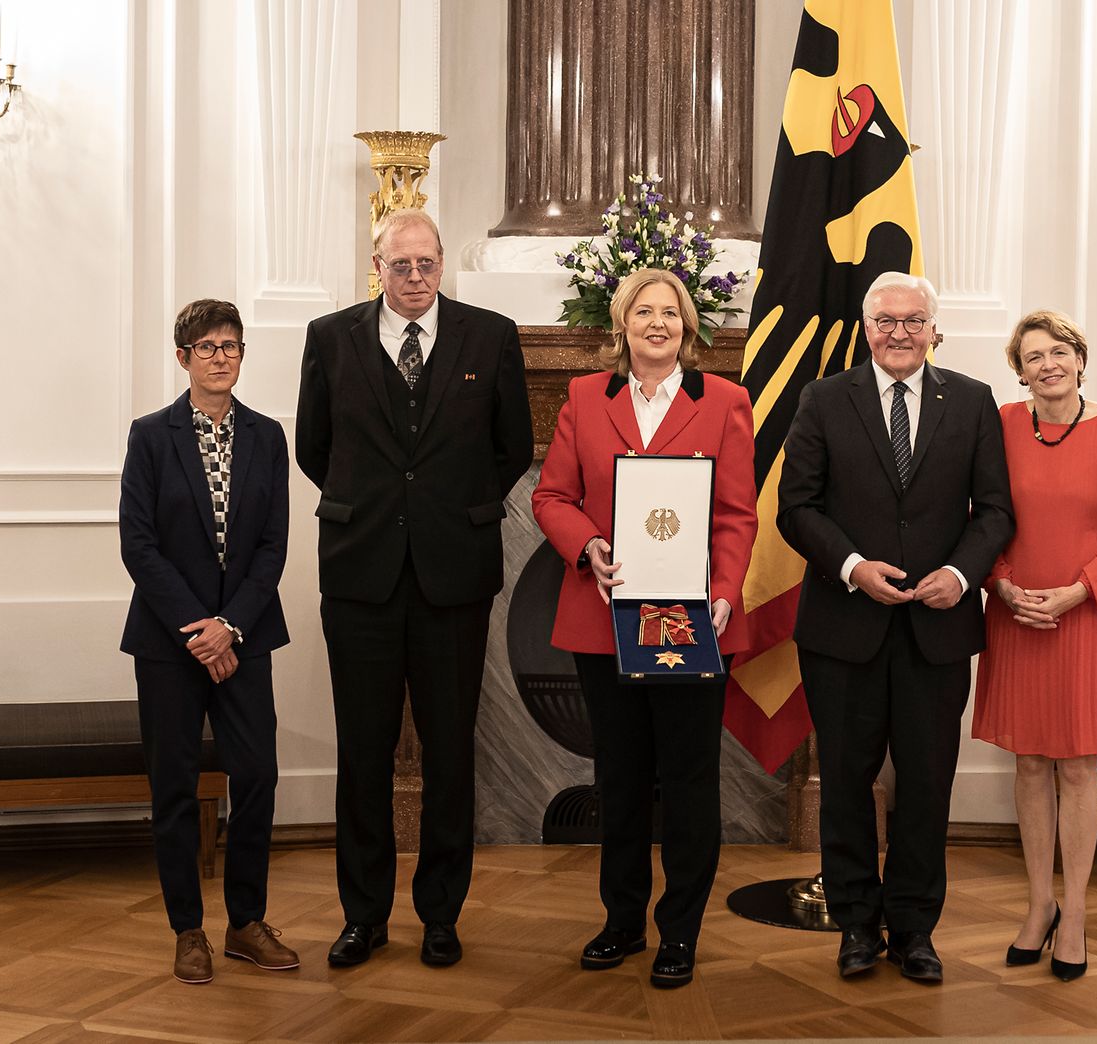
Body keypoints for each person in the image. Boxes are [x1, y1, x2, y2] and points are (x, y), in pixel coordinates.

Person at [295, 208, 534, 968]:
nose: (416, 278)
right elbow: (314, 447)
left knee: (450, 754)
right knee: (362, 755)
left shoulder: (489, 336)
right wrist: (379, 509)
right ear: (377, 265)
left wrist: (450, 514)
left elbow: (512, 448)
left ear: (441, 265)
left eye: (427, 264)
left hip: (453, 579)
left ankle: (440, 915)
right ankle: (362, 916)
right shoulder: (331, 339)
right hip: (360, 576)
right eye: (401, 267)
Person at [777, 272, 1014, 984]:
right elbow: (796, 507)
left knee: (926, 786)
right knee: (846, 783)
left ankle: (914, 929)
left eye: (914, 321)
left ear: (933, 330)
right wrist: (851, 566)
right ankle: (854, 925)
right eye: (886, 321)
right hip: (844, 629)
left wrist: (962, 576)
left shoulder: (972, 403)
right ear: (865, 328)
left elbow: (997, 511)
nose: (900, 333)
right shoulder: (824, 399)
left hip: (937, 633)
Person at [531, 269, 758, 989]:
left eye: (670, 313)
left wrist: (723, 594)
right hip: (607, 618)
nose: (656, 324)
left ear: (688, 328)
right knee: (620, 777)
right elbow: (552, 495)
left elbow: (736, 513)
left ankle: (680, 932)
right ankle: (622, 920)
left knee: (690, 780)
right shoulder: (584, 398)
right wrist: (586, 545)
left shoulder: (725, 401)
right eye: (643, 312)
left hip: (695, 620)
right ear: (621, 325)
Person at [119, 298, 297, 985]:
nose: (220, 356)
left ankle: (246, 923)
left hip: (245, 637)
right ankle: (188, 931)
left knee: (257, 777)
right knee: (173, 787)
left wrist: (232, 626)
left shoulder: (267, 436)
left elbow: (274, 546)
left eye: (231, 345)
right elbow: (139, 545)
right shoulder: (150, 436)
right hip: (170, 644)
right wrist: (200, 628)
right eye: (207, 346)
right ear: (182, 358)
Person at [971, 310, 1097, 982]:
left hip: (1086, 618)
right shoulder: (1003, 425)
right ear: (1019, 372)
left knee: (1077, 767)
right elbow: (983, 517)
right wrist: (1004, 587)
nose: (1047, 365)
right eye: (1032, 357)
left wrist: (1079, 593)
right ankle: (1037, 904)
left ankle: (1074, 912)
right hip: (1017, 616)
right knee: (1028, 765)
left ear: (1079, 357)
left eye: (1058, 352)